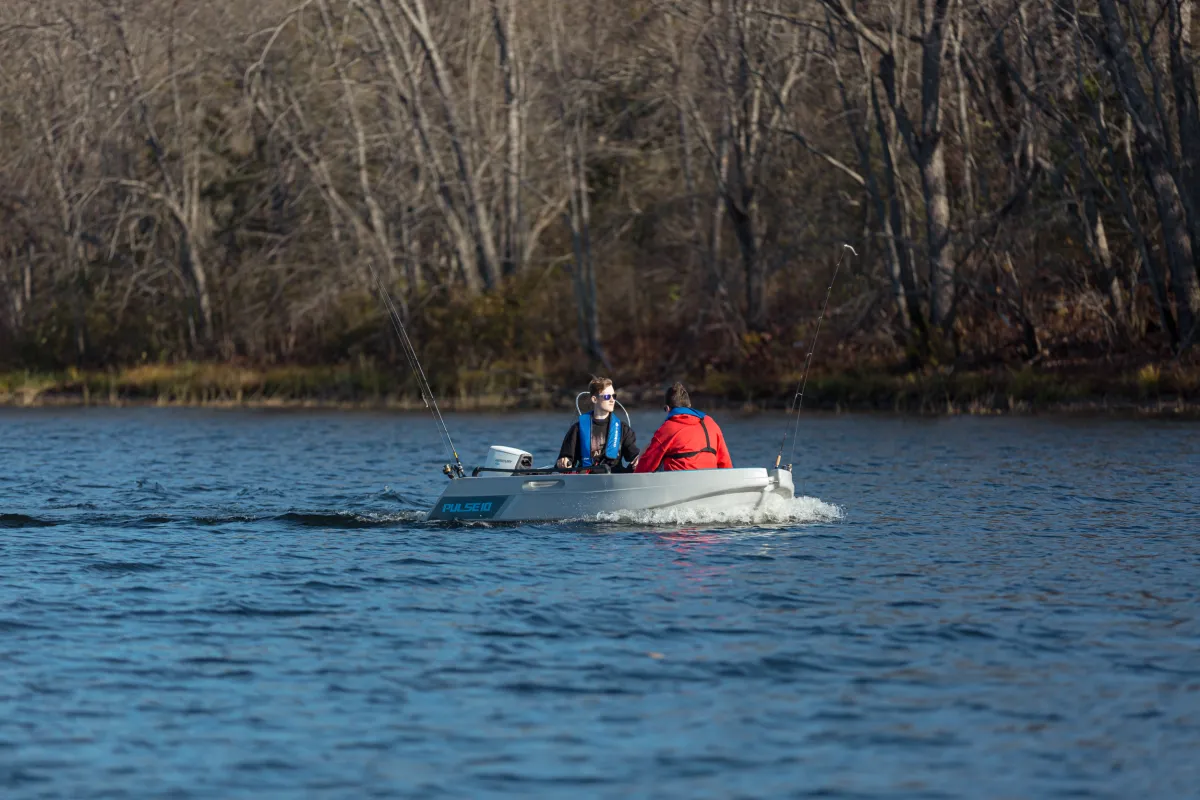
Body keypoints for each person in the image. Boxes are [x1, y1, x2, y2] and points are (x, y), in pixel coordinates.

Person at [634, 382, 732, 473]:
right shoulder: (711, 423)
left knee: (647, 450)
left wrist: (635, 474)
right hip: (710, 480)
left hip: (677, 484)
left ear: (667, 408)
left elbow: (646, 465)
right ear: (689, 405)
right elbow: (725, 463)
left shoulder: (668, 428)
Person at [557, 377, 640, 472]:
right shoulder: (577, 429)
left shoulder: (623, 429)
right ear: (594, 399)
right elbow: (565, 458)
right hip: (588, 478)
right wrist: (563, 461)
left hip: (615, 477)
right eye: (607, 397)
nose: (612, 400)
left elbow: (633, 455)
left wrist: (638, 459)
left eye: (614, 396)